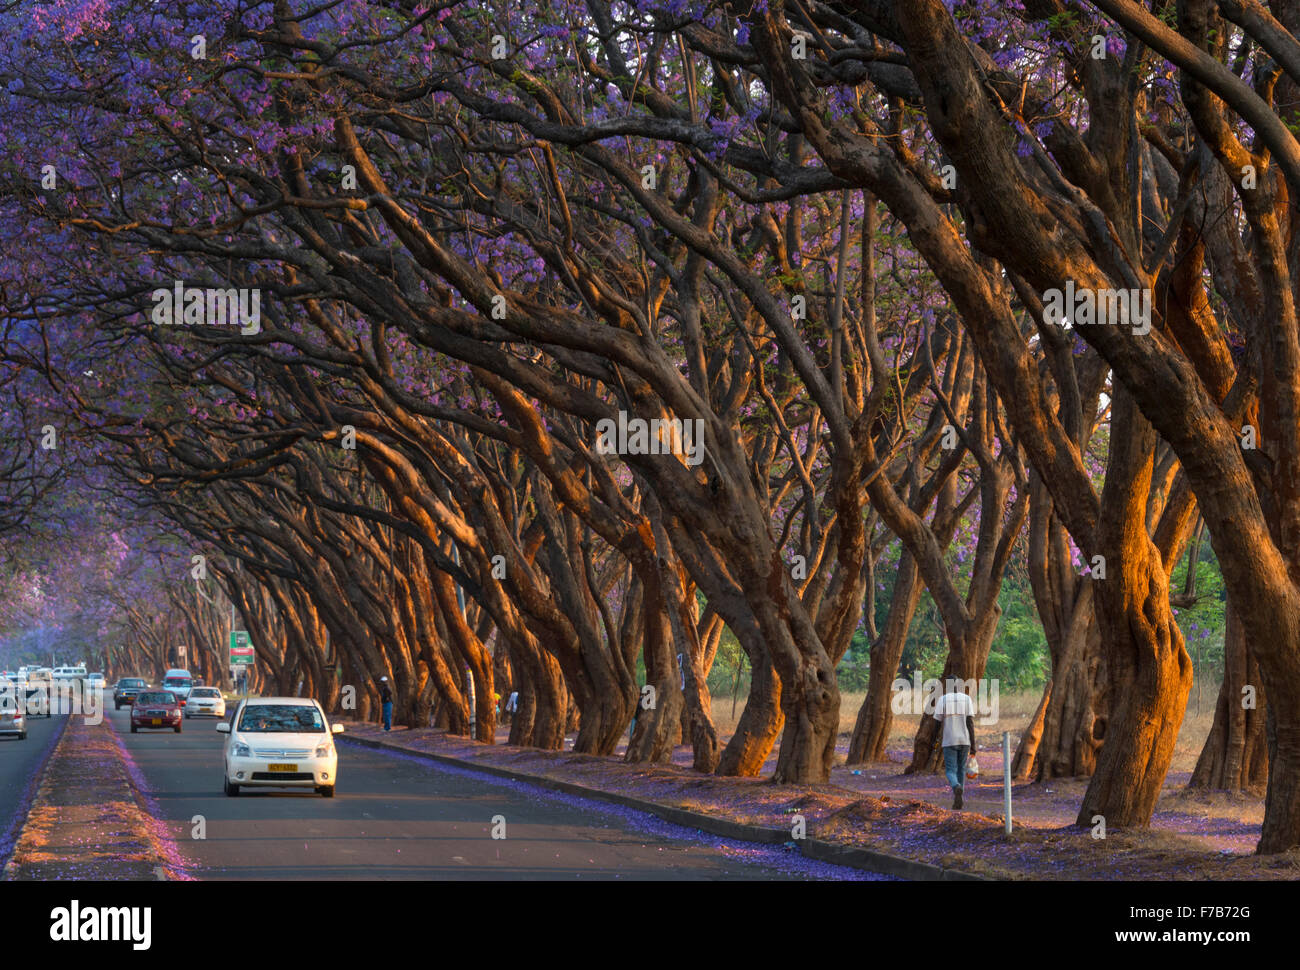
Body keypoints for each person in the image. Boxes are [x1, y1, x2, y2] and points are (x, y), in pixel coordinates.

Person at [932, 682, 978, 810]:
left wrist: (934, 741)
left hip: (949, 740)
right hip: (965, 740)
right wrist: (973, 745)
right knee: (961, 770)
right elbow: (970, 723)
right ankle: (959, 800)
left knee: (950, 771)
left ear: (947, 686)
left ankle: (956, 786)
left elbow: (937, 723)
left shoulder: (943, 699)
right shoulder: (966, 699)